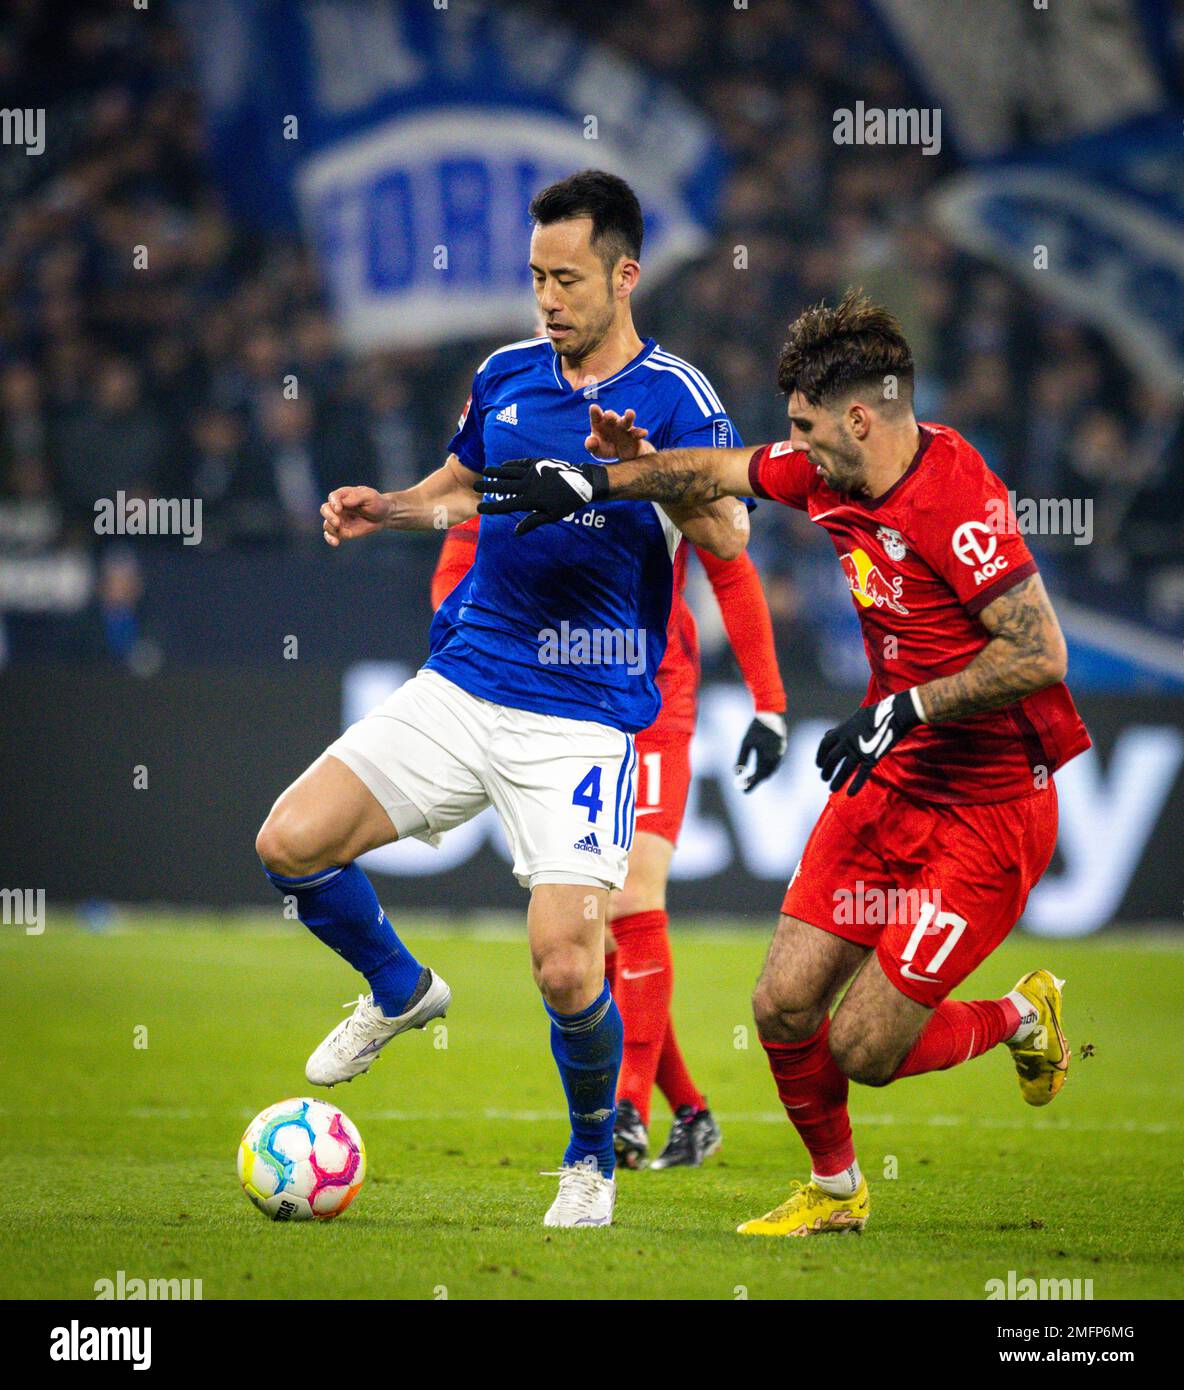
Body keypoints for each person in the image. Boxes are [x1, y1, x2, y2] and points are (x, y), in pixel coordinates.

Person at [476, 289, 1092, 1235]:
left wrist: (909, 708)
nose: (791, 445)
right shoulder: (827, 473)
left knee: (865, 1046)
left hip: (990, 808)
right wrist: (595, 482)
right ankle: (836, 1195)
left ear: (858, 417)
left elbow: (1038, 654)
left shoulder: (957, 497)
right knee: (781, 1005)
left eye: (804, 427)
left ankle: (1018, 1017)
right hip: (890, 782)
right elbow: (714, 467)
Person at [254, 170, 747, 1228]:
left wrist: (648, 468)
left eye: (566, 279)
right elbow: (461, 486)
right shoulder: (508, 374)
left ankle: (587, 1161)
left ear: (623, 275)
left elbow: (728, 537)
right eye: (534, 279)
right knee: (288, 842)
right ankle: (397, 987)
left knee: (567, 963)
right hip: (466, 679)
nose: (547, 300)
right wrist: (387, 507)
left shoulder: (678, 396)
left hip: (579, 720)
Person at [430, 514, 788, 1170]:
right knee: (591, 933)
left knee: (629, 901)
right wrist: (465, 646)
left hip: (651, 693)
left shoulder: (664, 429)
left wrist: (768, 701)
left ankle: (627, 1111)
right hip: (553, 702)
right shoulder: (519, 417)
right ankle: (691, 1109)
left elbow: (730, 563)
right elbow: (461, 546)